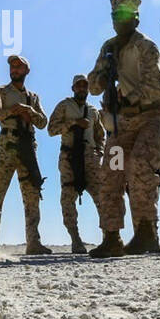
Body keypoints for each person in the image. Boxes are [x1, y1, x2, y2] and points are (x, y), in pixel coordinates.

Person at [86, 0, 160, 258]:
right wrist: (102, 73)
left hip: (152, 117)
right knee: (111, 172)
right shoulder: (109, 47)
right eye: (115, 17)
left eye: (124, 16)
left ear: (135, 18)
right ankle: (111, 237)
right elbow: (94, 86)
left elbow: (155, 88)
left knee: (140, 165)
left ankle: (146, 232)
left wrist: (126, 96)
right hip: (123, 125)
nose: (119, 22)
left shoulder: (146, 47)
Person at [0, 54, 49, 254]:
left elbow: (42, 123)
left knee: (32, 195)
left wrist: (28, 111)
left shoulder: (33, 97)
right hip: (8, 144)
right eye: (12, 67)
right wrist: (11, 112)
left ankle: (34, 243)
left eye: (18, 67)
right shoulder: (2, 92)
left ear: (26, 71)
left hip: (28, 146)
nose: (14, 70)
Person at [47, 74, 105, 254]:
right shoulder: (64, 106)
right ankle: (76, 239)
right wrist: (73, 123)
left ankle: (107, 238)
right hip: (69, 156)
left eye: (84, 86)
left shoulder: (93, 111)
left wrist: (99, 152)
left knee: (102, 196)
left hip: (90, 157)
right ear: (73, 88)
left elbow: (100, 134)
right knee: (68, 197)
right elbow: (51, 129)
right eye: (78, 86)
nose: (81, 89)